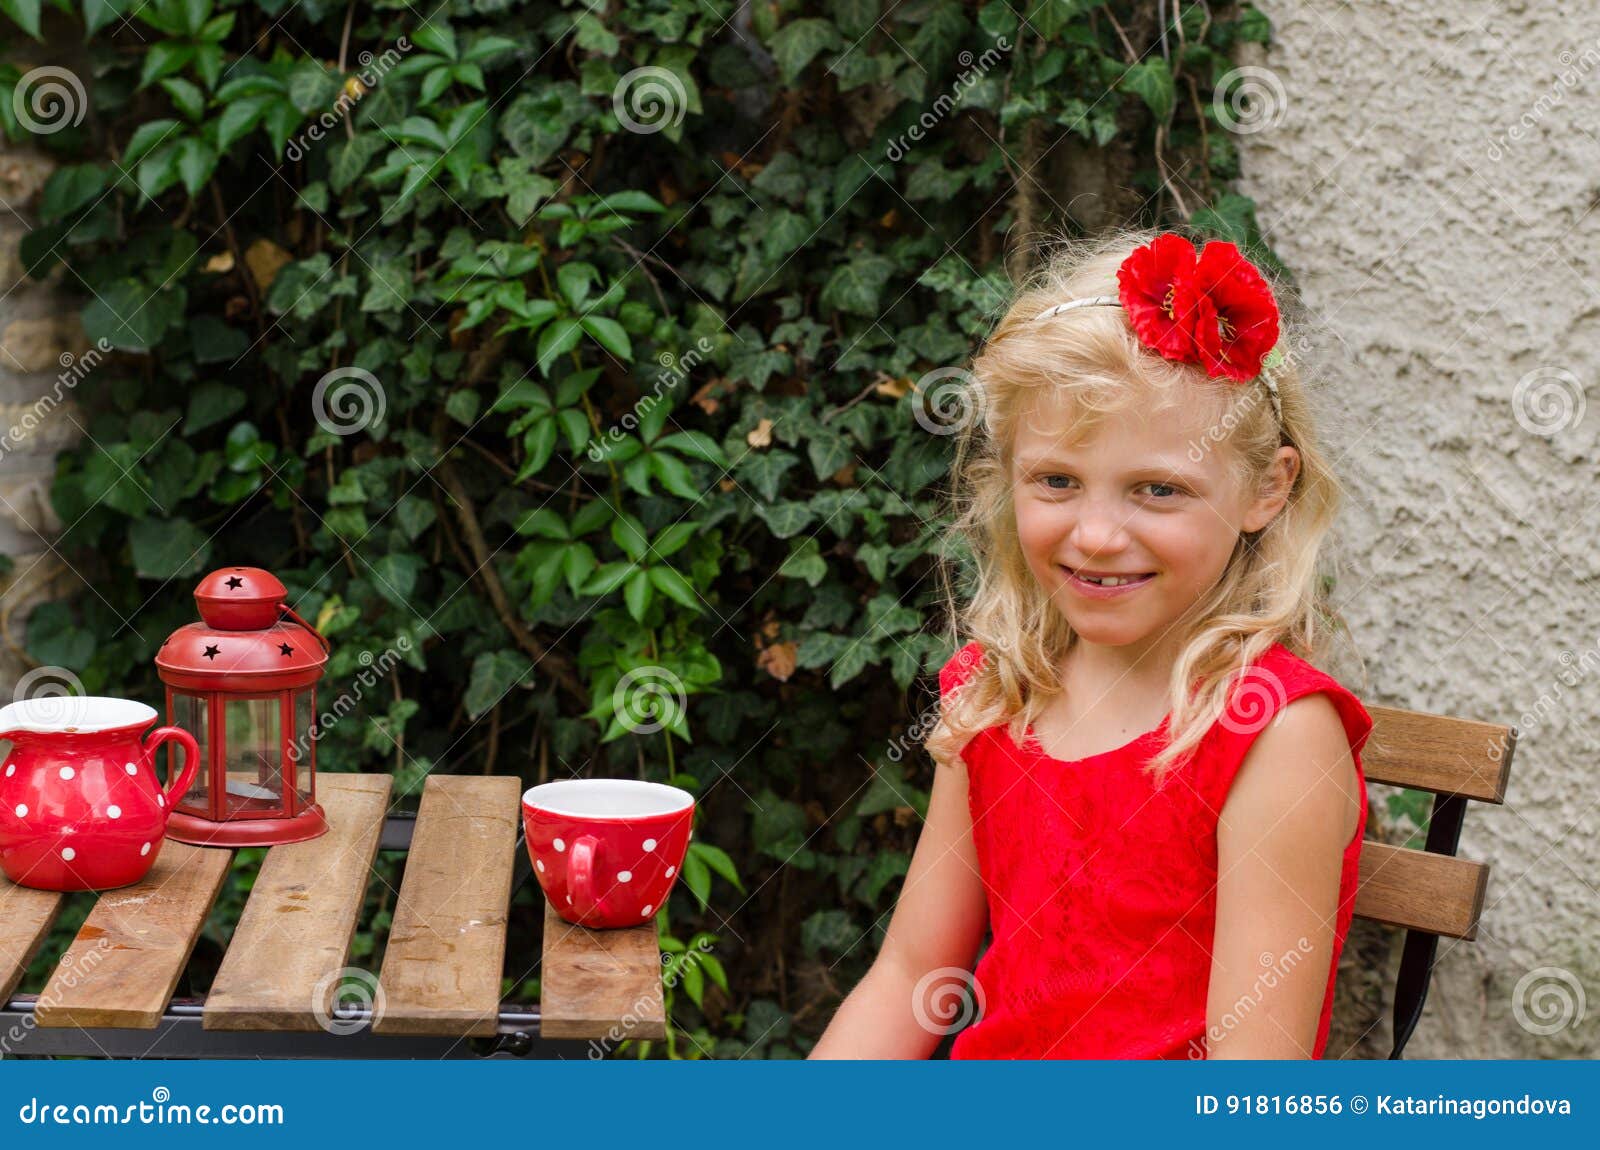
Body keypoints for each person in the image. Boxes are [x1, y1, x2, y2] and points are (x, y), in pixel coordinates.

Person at [810, 229, 1372, 1060]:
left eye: (1158, 489)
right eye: (1058, 482)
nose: (1098, 534)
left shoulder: (1273, 737)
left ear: (1267, 488)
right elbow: (908, 975)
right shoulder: (1000, 691)